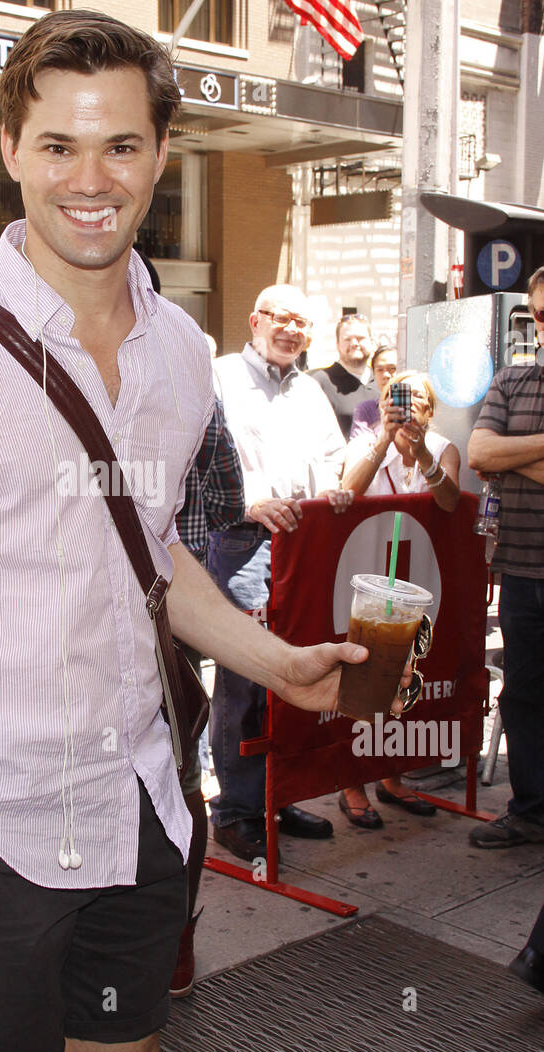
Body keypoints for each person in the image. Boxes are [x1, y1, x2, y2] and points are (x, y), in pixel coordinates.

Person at [0, 9, 390, 1052]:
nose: (89, 177)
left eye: (119, 144)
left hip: (139, 803)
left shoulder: (177, 353)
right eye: (58, 145)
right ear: (10, 150)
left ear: (162, 154)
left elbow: (150, 549)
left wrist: (281, 661)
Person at [208, 286, 354, 863]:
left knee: (294, 676)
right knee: (245, 679)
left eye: (302, 323)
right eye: (281, 319)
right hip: (242, 545)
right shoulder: (218, 376)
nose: (291, 330)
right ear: (254, 319)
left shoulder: (312, 390)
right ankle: (237, 811)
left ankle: (278, 794)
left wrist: (338, 491)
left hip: (303, 549)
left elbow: (332, 459)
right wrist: (246, 504)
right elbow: (195, 461)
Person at [340, 372, 461, 826]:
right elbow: (348, 490)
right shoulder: (369, 442)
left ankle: (392, 777)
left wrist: (423, 453)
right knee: (364, 680)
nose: (404, 407)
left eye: (414, 401)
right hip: (369, 584)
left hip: (417, 583)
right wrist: (386, 440)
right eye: (393, 398)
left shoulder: (443, 446)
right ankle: (351, 784)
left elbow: (449, 500)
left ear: (429, 411)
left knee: (407, 681)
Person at [467, 266, 544, 850]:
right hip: (520, 567)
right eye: (539, 313)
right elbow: (479, 450)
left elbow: (498, 453)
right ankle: (529, 809)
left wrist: (509, 456)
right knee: (522, 692)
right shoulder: (514, 382)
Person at [172, 391, 245, 997]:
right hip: (177, 616)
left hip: (77, 617)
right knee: (180, 775)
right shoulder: (186, 385)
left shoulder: (45, 367)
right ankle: (175, 938)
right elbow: (228, 499)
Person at [309, 314, 373, 439]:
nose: (354, 343)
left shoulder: (382, 382)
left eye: (360, 338)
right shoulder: (320, 383)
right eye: (347, 339)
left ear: (371, 342)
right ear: (338, 344)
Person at [349, 343, 398, 439]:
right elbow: (359, 450)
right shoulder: (366, 410)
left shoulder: (416, 405)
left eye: (392, 368)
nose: (386, 375)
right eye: (380, 370)